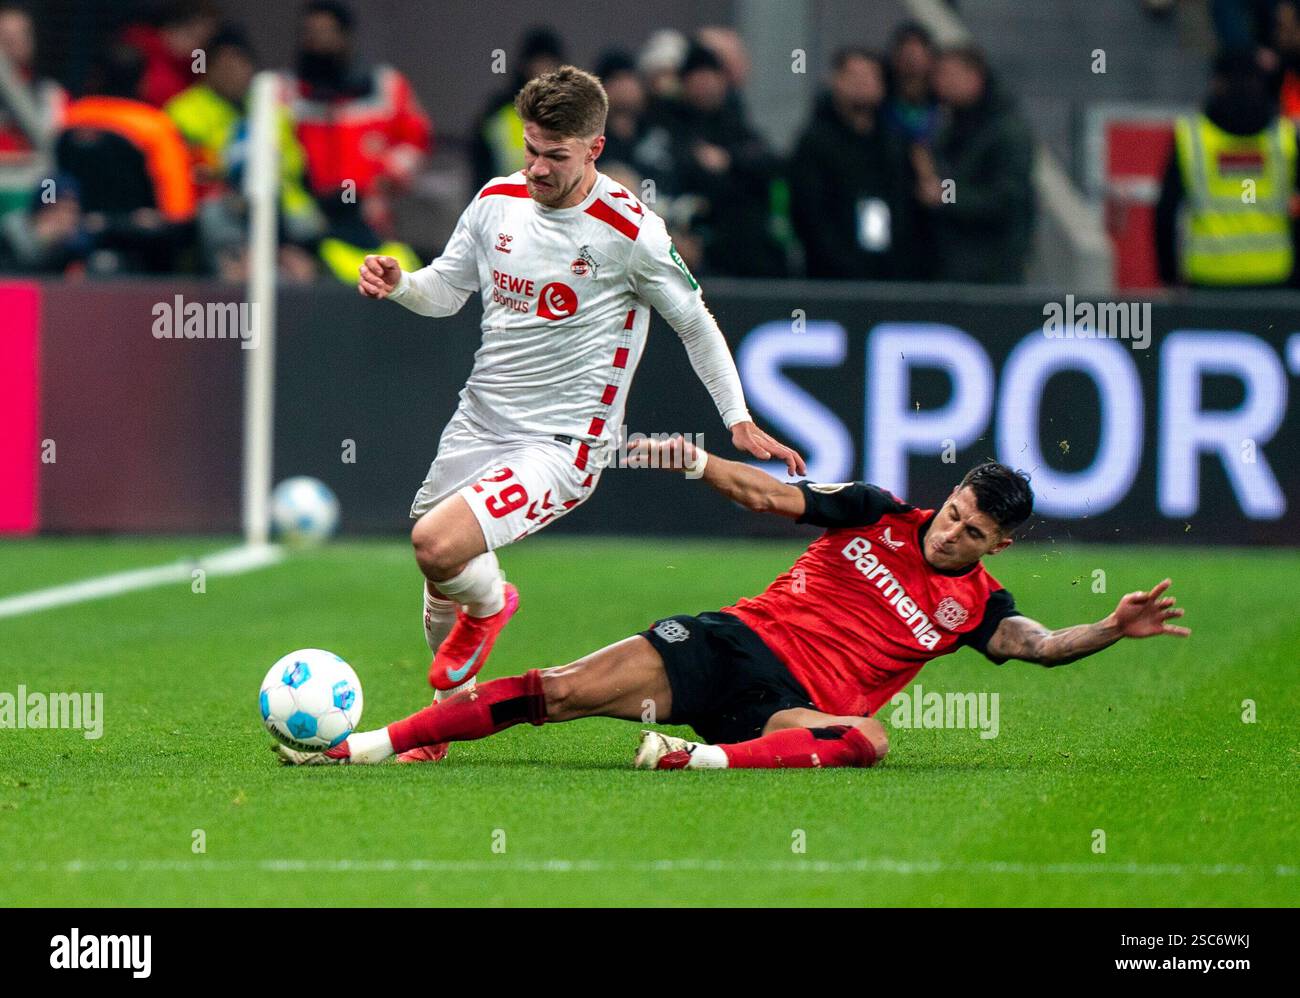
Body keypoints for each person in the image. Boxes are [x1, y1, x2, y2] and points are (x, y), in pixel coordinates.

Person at [355, 66, 804, 762]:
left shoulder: (630, 230)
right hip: (479, 419)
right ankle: (442, 719)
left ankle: (490, 608)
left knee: (438, 545)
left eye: (554, 155)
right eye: (530, 148)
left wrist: (737, 418)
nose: (536, 167)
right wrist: (400, 283)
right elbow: (445, 291)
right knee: (437, 567)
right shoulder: (496, 200)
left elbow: (694, 322)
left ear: (593, 149)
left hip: (564, 443)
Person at [276, 440, 1189, 770]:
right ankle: (368, 744)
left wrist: (1111, 628)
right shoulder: (874, 511)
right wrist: (700, 462)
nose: (951, 537)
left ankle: (702, 761)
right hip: (730, 644)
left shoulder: (979, 608)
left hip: (786, 710)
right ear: (947, 496)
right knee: (554, 691)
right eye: (953, 515)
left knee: (866, 739)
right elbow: (771, 497)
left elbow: (1037, 646)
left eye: (973, 535)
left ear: (1000, 545)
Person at [289, 0, 431, 277]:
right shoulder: (288, 92)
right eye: (312, 33)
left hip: (374, 220)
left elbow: (416, 140)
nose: (319, 41)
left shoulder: (385, 85)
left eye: (327, 32)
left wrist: (384, 176)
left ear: (345, 36)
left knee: (387, 283)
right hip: (313, 221)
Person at [1156, 52, 1297, 288]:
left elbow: (1165, 212)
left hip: (1209, 276)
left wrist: (1168, 275)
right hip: (1274, 274)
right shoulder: (1284, 137)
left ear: (1216, 83)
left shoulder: (1192, 138)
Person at [913, 44, 1035, 283]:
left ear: (975, 77)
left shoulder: (1005, 131)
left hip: (990, 267)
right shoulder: (946, 126)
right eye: (938, 74)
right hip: (948, 262)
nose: (941, 82)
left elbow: (1005, 198)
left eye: (949, 74)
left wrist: (944, 197)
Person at [789, 47, 910, 280]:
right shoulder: (815, 142)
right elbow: (808, 212)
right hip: (829, 275)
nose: (863, 84)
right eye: (854, 77)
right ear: (836, 81)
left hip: (889, 273)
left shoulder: (893, 144)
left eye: (871, 77)